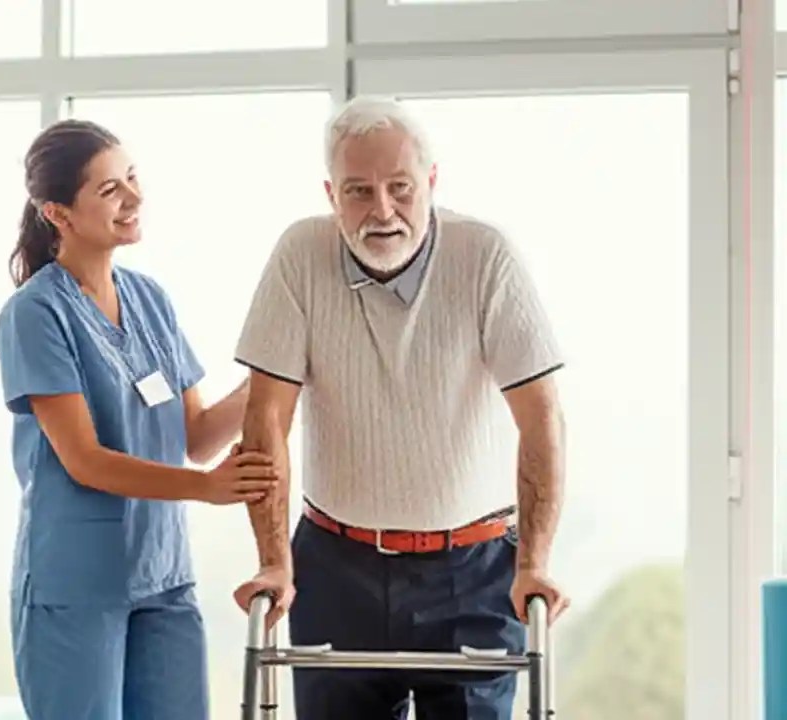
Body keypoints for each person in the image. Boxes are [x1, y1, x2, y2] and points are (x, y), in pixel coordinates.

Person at [231, 96, 572, 719]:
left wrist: (535, 563)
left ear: (432, 183)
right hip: (337, 567)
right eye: (359, 191)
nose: (382, 210)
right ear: (331, 193)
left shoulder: (485, 255)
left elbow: (541, 419)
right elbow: (267, 420)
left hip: (473, 570)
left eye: (400, 188)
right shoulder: (300, 254)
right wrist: (274, 561)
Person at [0, 119, 279, 720]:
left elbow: (195, 437)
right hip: (76, 586)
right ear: (58, 213)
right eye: (109, 190)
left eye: (132, 177)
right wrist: (205, 490)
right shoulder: (36, 314)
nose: (134, 197)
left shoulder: (151, 299)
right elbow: (84, 459)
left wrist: (274, 378)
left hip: (163, 576)